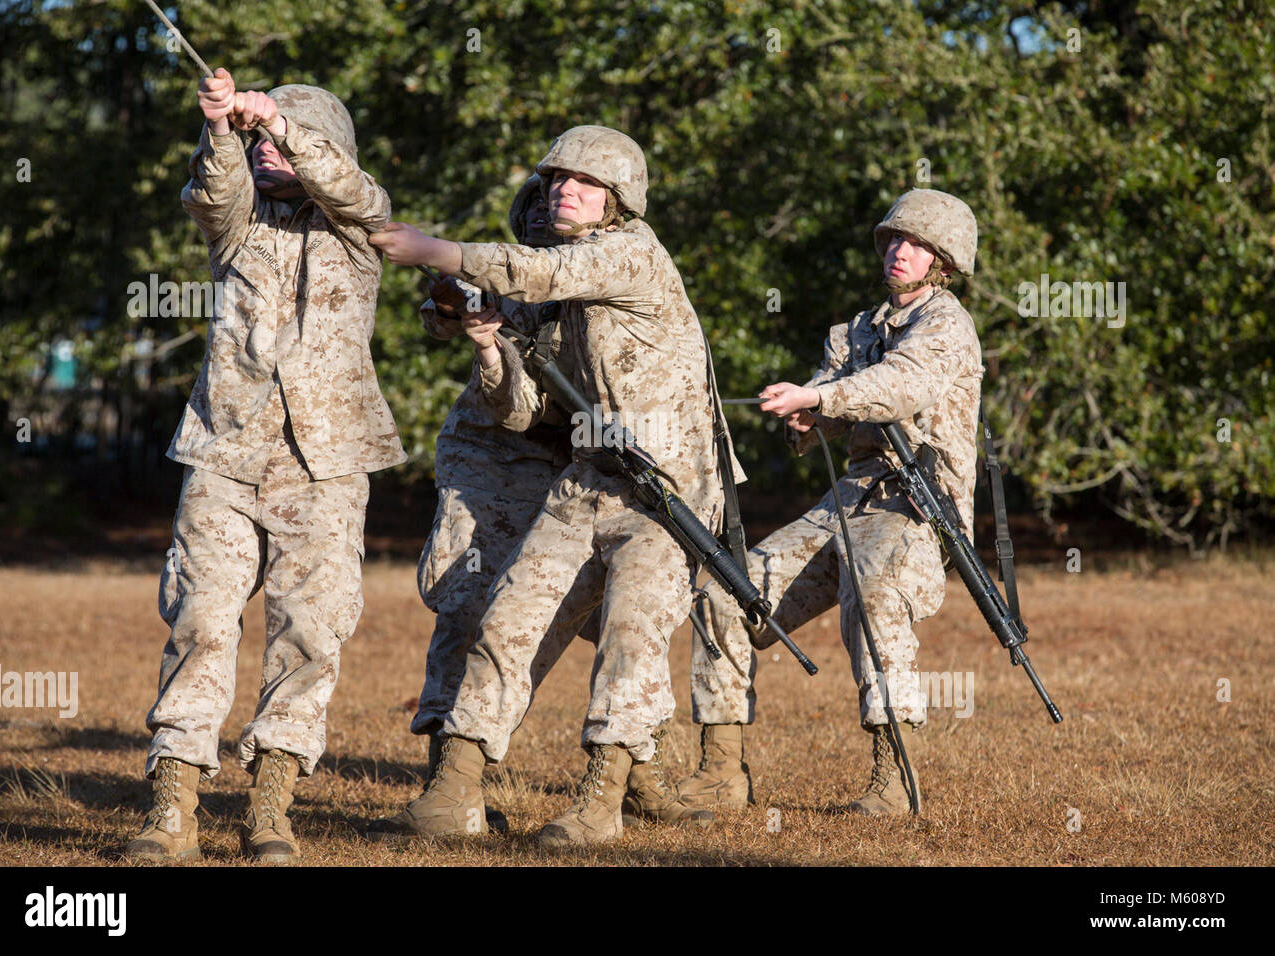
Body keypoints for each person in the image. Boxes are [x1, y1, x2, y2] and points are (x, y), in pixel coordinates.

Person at [369, 126, 734, 845]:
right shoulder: (561, 295)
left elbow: (534, 274)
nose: (564, 190)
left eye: (585, 183)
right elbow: (524, 412)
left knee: (631, 637)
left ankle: (602, 803)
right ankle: (454, 796)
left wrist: (435, 250)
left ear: (617, 201)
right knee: (504, 625)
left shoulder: (631, 254)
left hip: (669, 491)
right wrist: (484, 342)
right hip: (589, 480)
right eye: (557, 179)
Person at [124, 68, 405, 863]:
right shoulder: (239, 227)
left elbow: (356, 192)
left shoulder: (359, 229)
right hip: (224, 453)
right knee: (200, 620)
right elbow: (211, 196)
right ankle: (172, 806)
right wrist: (221, 127)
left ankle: (270, 806)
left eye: (277, 140)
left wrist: (278, 121)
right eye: (261, 142)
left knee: (310, 631)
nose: (265, 151)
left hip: (328, 465)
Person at [679, 188, 983, 816]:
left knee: (872, 599)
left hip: (917, 508)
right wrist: (804, 415)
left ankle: (892, 779)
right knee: (722, 595)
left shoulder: (947, 324)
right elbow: (829, 390)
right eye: (895, 239)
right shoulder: (855, 331)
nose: (901, 251)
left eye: (918, 245)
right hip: (847, 499)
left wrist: (817, 402)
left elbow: (900, 385)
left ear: (943, 262)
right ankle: (721, 772)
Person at [373, 176, 597, 837]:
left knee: (618, 609)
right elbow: (440, 314)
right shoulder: (501, 277)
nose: (541, 218)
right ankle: (449, 783)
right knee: (466, 604)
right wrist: (463, 319)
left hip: (582, 465)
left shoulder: (598, 274)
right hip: (491, 462)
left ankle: (638, 772)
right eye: (531, 212)